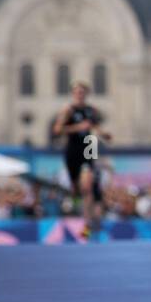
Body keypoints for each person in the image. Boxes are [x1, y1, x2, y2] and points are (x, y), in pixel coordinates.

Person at [52, 81, 112, 237]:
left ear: (86, 94)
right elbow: (57, 129)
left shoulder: (91, 110)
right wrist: (77, 128)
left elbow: (96, 127)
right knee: (76, 188)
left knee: (87, 185)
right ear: (73, 94)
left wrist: (104, 134)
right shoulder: (68, 110)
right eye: (77, 92)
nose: (80, 95)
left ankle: (88, 224)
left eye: (82, 92)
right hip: (73, 148)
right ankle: (82, 210)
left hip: (88, 145)